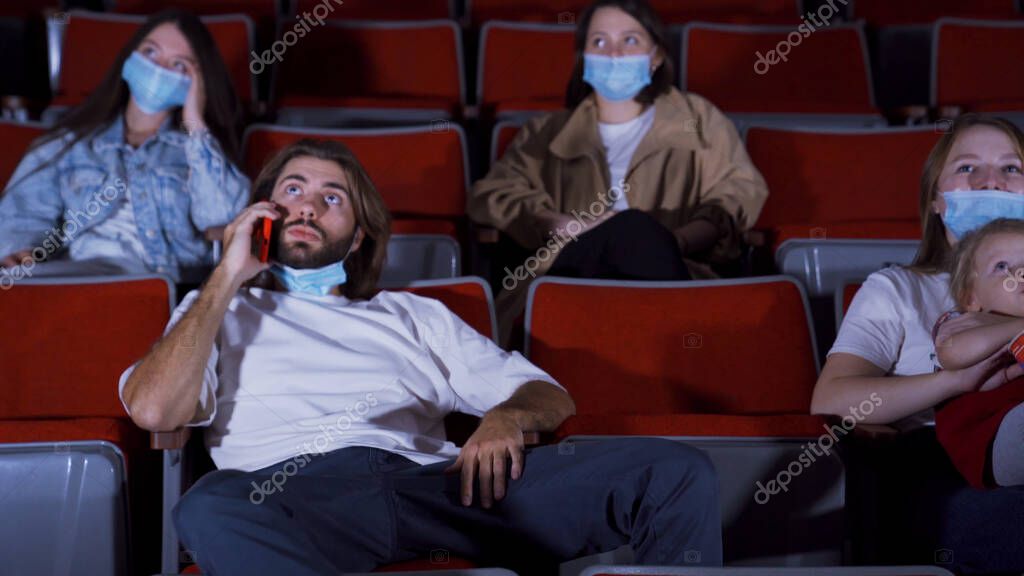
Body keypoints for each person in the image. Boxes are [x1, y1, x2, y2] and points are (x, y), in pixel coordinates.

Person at [118, 140, 722, 575]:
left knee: (671, 472)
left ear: (357, 238)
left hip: (441, 489)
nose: (307, 206)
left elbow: (547, 394)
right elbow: (153, 409)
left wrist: (507, 418)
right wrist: (227, 275)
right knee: (208, 507)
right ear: (263, 215)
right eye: (292, 190)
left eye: (333, 197)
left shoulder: (412, 314)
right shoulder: (214, 309)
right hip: (297, 496)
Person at [469, 0, 767, 341]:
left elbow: (738, 191)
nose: (613, 54)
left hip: (674, 264)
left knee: (635, 228)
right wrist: (557, 223)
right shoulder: (547, 132)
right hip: (573, 270)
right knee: (625, 234)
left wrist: (676, 239)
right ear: (583, 57)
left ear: (655, 57)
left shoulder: (697, 118)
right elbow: (491, 194)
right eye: (599, 41)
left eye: (629, 40)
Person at [811, 114, 1024, 572]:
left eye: (1012, 169)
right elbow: (832, 398)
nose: (993, 182)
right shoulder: (897, 289)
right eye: (968, 169)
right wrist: (954, 381)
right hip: (940, 471)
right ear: (936, 200)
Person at [0, 9, 248, 283]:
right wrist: (23, 250)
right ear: (130, 57)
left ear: (197, 83)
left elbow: (224, 218)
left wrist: (195, 122)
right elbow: (22, 212)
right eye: (150, 53)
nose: (158, 69)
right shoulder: (70, 142)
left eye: (179, 65)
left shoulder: (199, 152)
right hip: (81, 274)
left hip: (167, 284)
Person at [931, 218, 1024, 488]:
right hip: (996, 435)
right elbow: (953, 354)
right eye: (1002, 266)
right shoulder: (970, 322)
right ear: (972, 298)